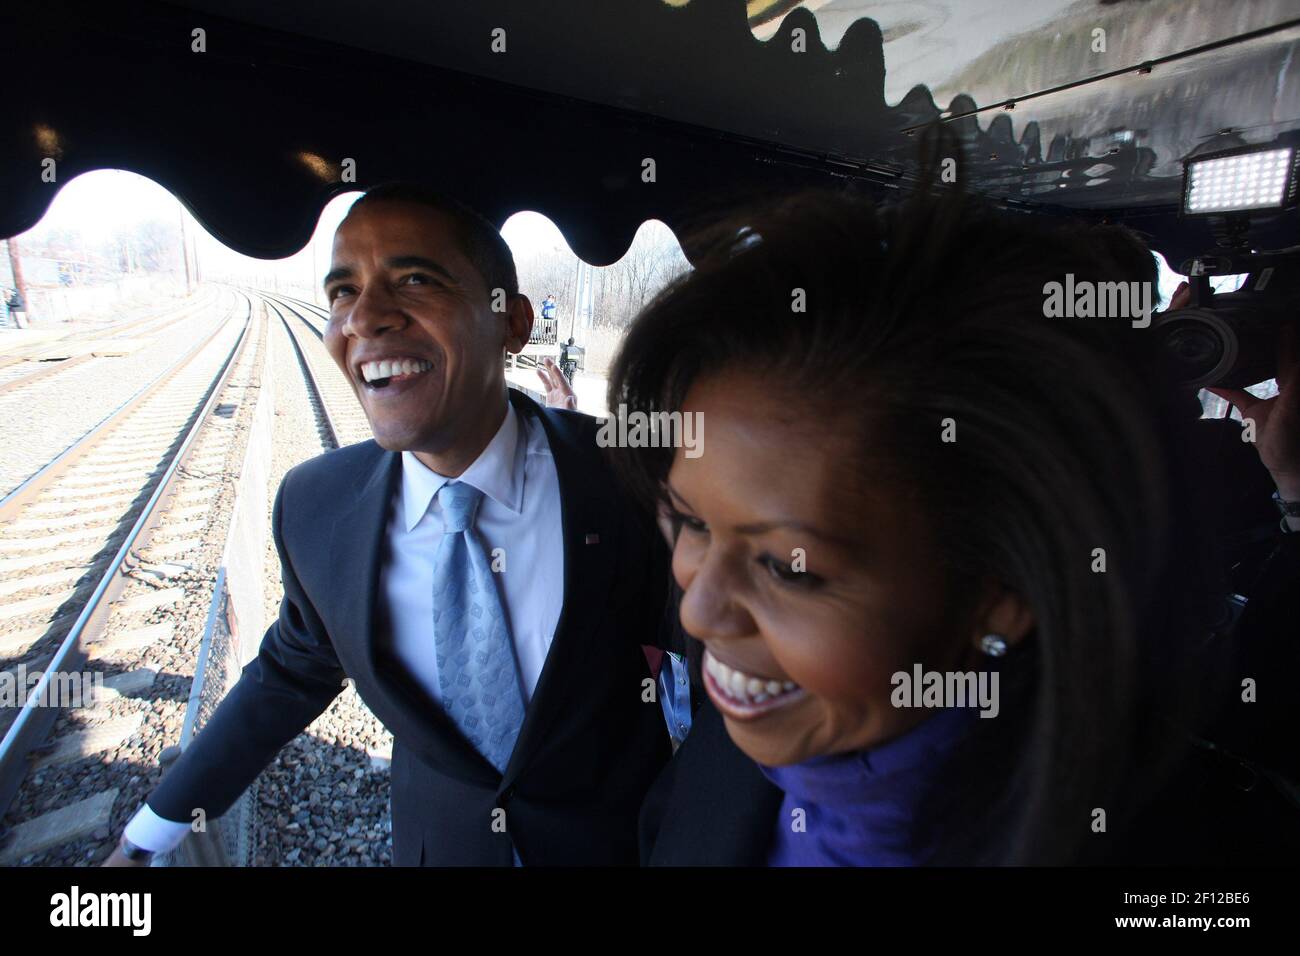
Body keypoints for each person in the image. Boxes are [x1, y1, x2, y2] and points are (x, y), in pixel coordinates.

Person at [606, 187, 1300, 865]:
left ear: (1002, 594)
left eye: (789, 568)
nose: (697, 611)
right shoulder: (733, 748)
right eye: (692, 522)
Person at [105, 183, 672, 866]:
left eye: (415, 279)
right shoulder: (316, 507)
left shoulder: (628, 475)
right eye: (342, 291)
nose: (363, 318)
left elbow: (729, 651)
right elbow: (293, 669)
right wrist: (150, 836)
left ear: (512, 323)